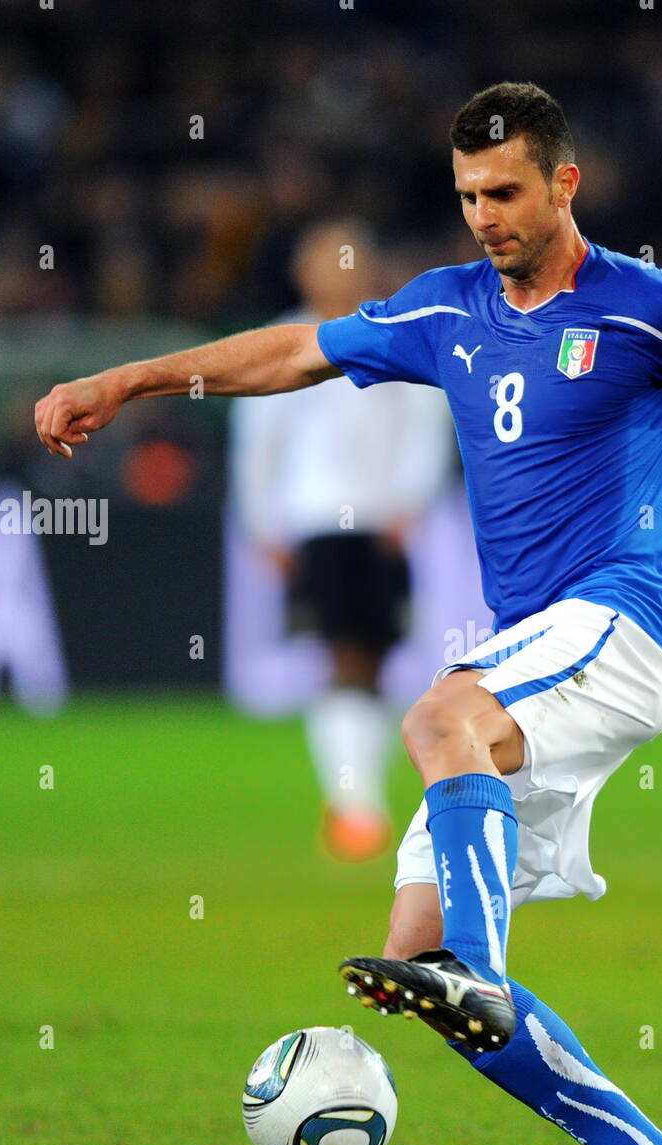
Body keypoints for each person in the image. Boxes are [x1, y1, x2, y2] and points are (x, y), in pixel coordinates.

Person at [34, 82, 662, 1145]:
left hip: (621, 626)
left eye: (508, 191)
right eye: (469, 194)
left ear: (565, 182)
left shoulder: (657, 308)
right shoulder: (450, 310)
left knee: (435, 721)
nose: (485, 215)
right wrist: (126, 380)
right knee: (412, 958)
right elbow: (294, 352)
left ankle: (483, 964)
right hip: (538, 650)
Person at [229, 220, 451, 860]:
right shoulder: (283, 340)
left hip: (382, 526)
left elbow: (425, 419)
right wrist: (262, 523)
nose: (338, 274)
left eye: (346, 262)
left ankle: (355, 798)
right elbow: (257, 445)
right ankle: (357, 809)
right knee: (343, 655)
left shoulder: (391, 334)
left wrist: (410, 501)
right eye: (325, 263)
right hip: (317, 524)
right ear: (305, 274)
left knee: (375, 658)